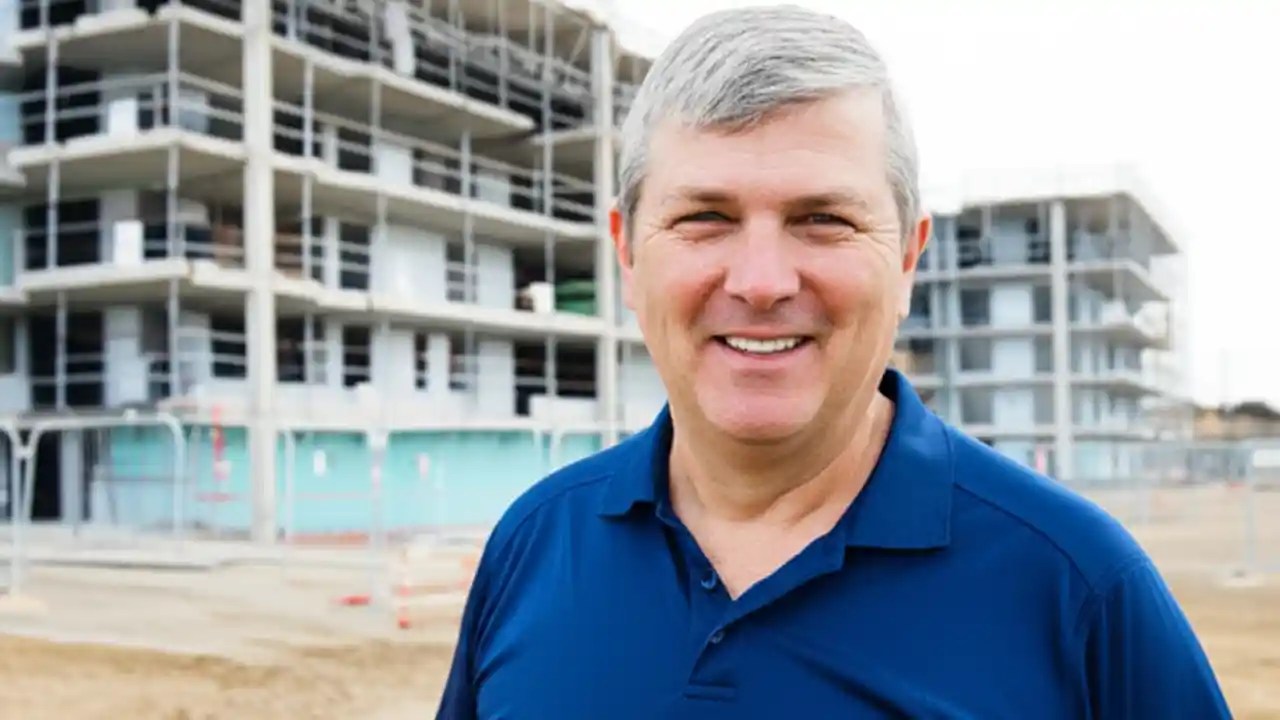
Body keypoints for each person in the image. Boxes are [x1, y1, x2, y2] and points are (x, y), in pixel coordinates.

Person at [436, 5, 1231, 718]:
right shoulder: (533, 548)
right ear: (627, 254)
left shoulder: (1077, 588)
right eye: (705, 217)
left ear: (909, 258)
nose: (761, 282)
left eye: (823, 219)